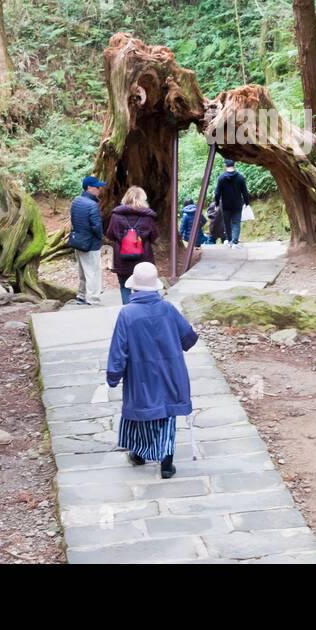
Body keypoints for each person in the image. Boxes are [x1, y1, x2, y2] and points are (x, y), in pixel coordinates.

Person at [105, 262, 197, 479]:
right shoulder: (168, 309)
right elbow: (189, 339)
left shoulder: (127, 314)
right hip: (171, 373)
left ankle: (138, 454)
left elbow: (118, 350)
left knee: (139, 413)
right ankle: (166, 464)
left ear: (133, 288)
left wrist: (113, 376)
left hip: (140, 375)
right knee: (167, 415)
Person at [105, 186, 158, 304]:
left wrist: (123, 239)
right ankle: (144, 311)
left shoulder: (116, 215)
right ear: (142, 199)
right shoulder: (148, 217)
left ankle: (128, 311)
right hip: (144, 257)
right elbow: (154, 235)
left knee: (124, 286)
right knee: (144, 287)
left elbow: (110, 234)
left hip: (122, 258)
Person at [68, 175, 105, 305]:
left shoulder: (76, 201)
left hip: (77, 241)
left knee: (83, 271)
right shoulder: (92, 205)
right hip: (91, 243)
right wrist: (101, 237)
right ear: (89, 187)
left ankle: (81, 295)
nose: (99, 189)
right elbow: (96, 226)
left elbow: (73, 219)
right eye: (97, 187)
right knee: (93, 272)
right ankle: (93, 299)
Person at [214, 158, 250, 245]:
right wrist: (247, 202)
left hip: (225, 205)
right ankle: (234, 241)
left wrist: (217, 203)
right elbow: (245, 191)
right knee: (236, 223)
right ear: (234, 165)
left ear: (225, 165)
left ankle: (230, 241)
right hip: (237, 204)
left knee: (227, 224)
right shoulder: (240, 177)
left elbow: (217, 193)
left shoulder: (221, 178)